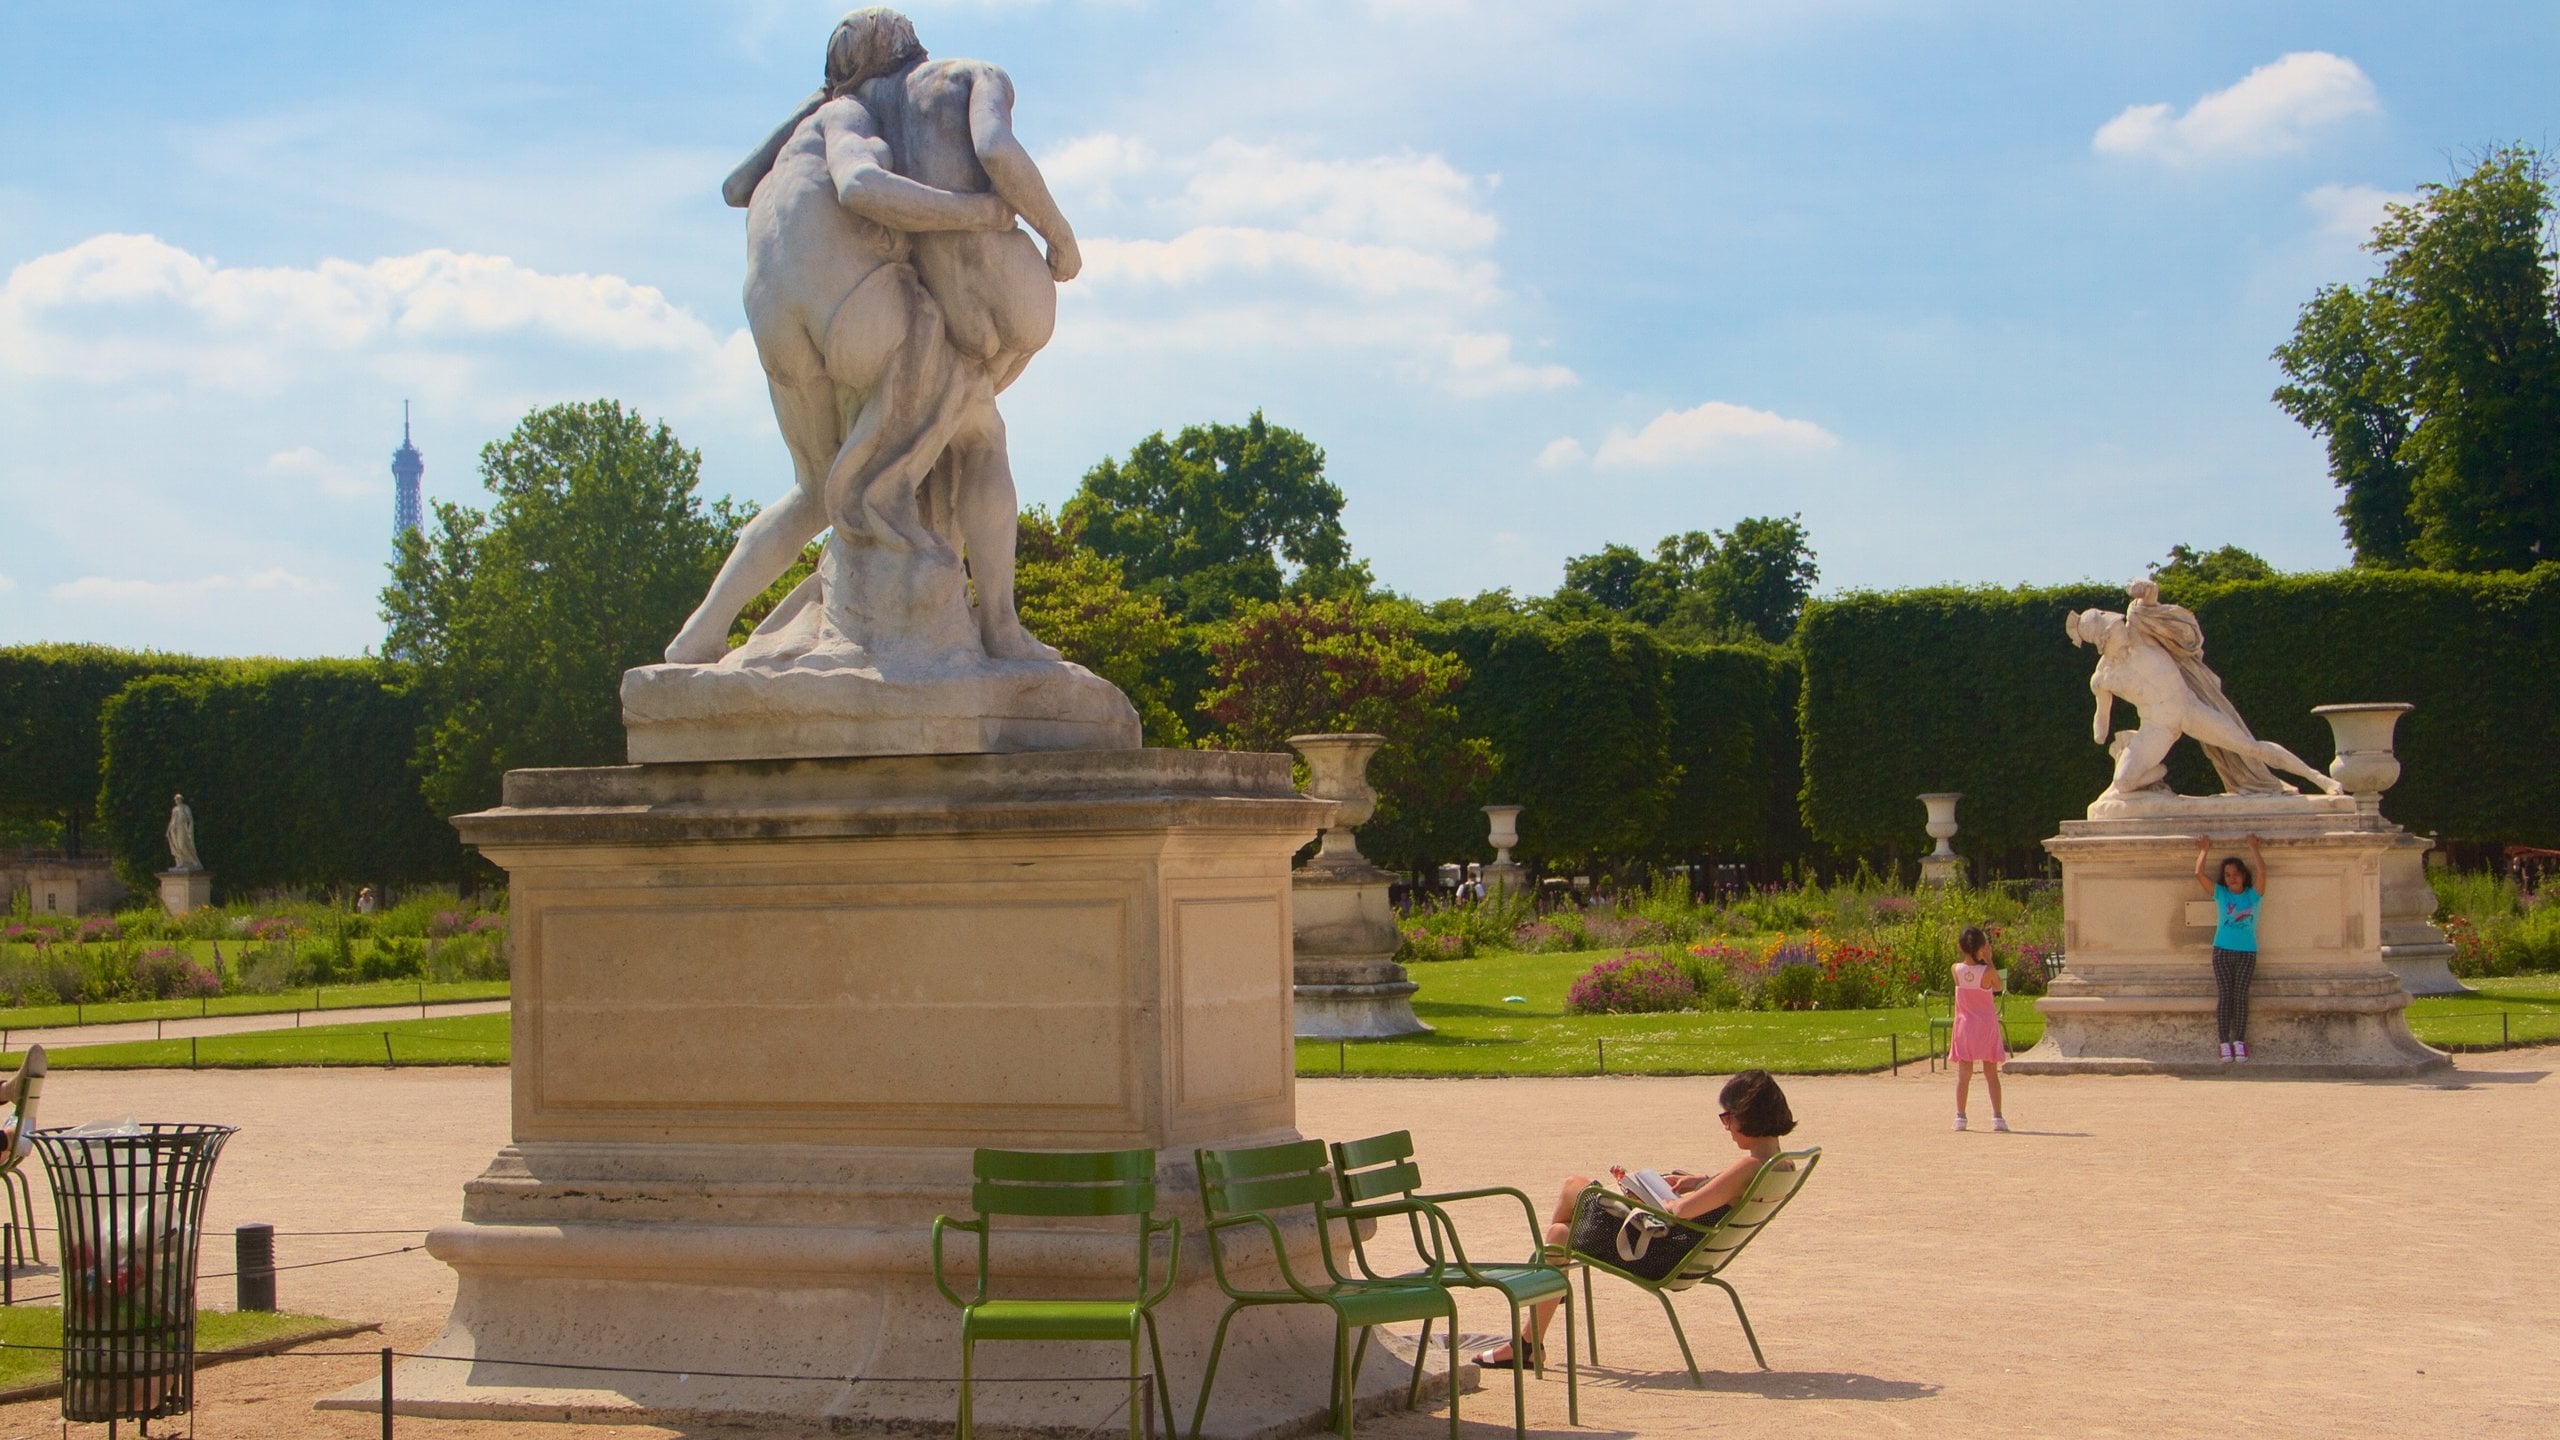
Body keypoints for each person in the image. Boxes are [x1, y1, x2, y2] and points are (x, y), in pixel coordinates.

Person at [1475, 1070, 1798, 1370]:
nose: (1726, 1126)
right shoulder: (1778, 1165)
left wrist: (1645, 1196)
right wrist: (1694, 1181)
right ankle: (1532, 1332)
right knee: (1559, 1235)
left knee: (1571, 1194)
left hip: (1660, 1255)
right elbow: (1724, 1192)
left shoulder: (1749, 1165)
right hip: (1686, 1252)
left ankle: (1549, 1295)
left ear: (1746, 1115)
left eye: (1727, 1117)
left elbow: (1680, 1211)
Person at [2195, 833, 2267, 1061]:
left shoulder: (2253, 896)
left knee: (2241, 996)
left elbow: (2263, 873)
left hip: (2247, 952)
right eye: (2227, 875)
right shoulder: (2221, 894)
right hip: (2222, 951)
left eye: (2236, 874)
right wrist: (2204, 850)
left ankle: (2240, 1041)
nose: (2232, 878)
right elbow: (2198, 874)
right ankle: (2224, 1041)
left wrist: (2253, 848)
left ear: (2243, 875)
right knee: (2225, 996)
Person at [1949, 925, 2007, 1131]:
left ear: (1961, 947)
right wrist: (1989, 959)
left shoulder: (1955, 969)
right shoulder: (1988, 971)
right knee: (1991, 1074)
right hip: (1985, 1026)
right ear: (1982, 947)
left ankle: (1960, 1117)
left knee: (1964, 1075)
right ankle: (1997, 1117)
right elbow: (1999, 987)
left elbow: (1964, 978)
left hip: (1965, 1026)